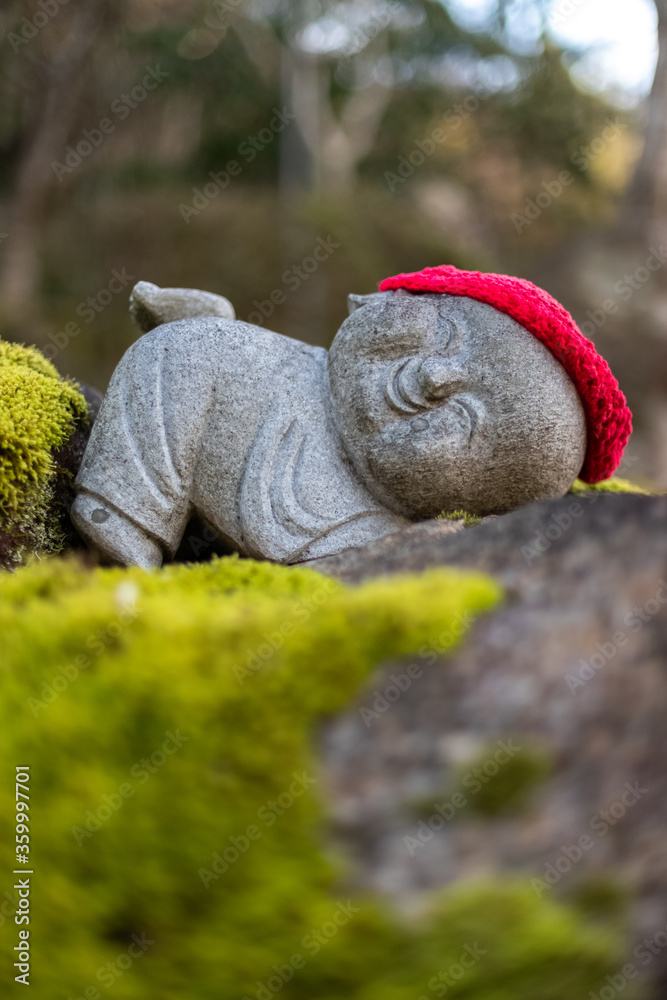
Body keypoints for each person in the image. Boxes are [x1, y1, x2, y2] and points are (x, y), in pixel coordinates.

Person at [72, 265, 632, 568]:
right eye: (447, 336)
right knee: (181, 352)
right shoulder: (217, 355)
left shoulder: (392, 541)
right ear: (373, 300)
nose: (435, 379)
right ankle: (127, 532)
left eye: (466, 421)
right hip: (198, 371)